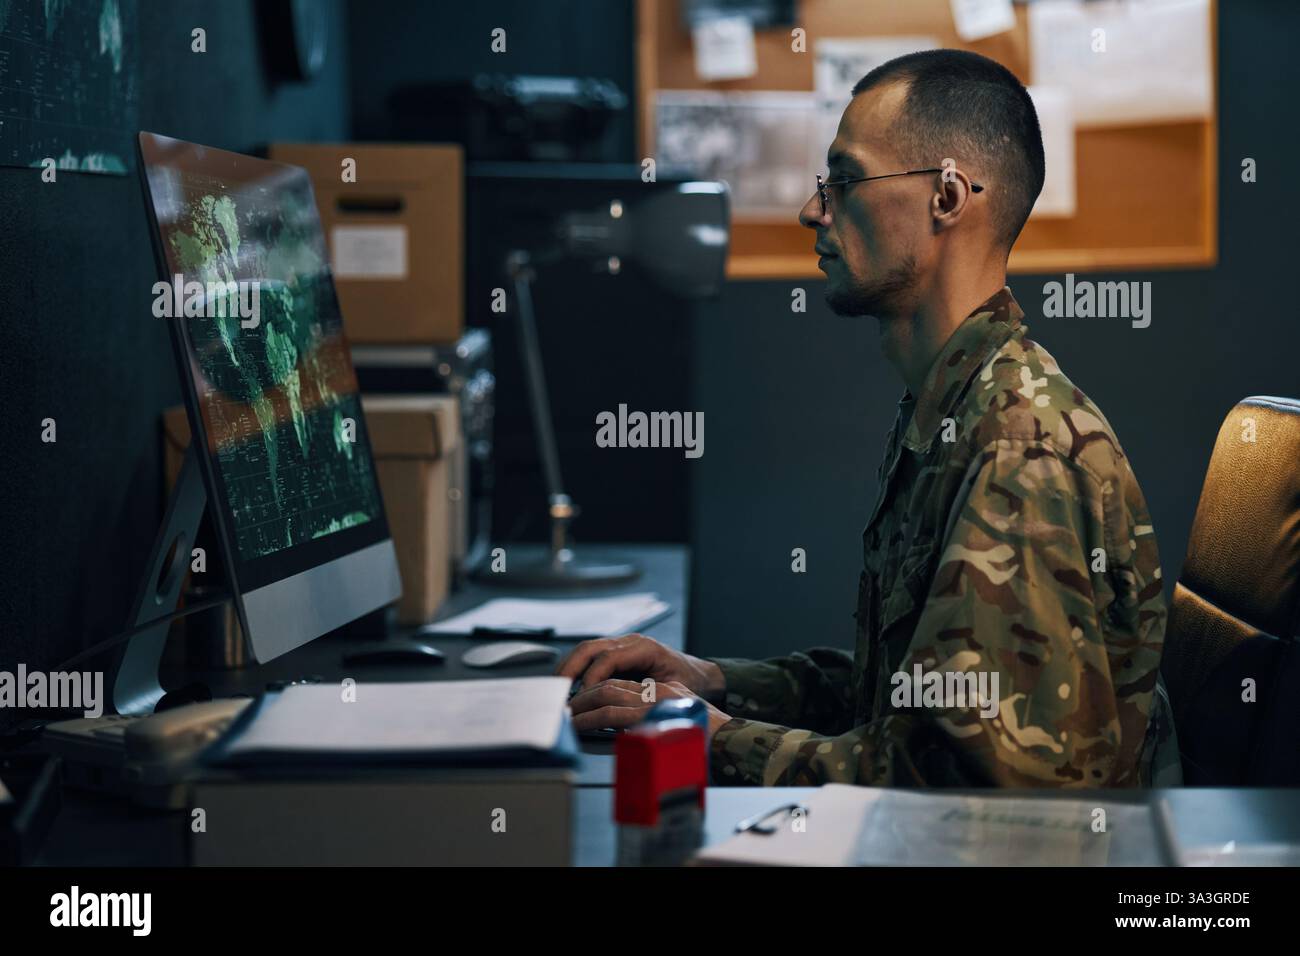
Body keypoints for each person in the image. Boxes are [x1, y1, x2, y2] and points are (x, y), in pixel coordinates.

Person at [560, 49, 1177, 787]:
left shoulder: (1018, 448)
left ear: (946, 198)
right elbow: (905, 703)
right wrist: (712, 680)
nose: (813, 210)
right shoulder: (956, 404)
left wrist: (705, 737)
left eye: (845, 180)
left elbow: (964, 789)